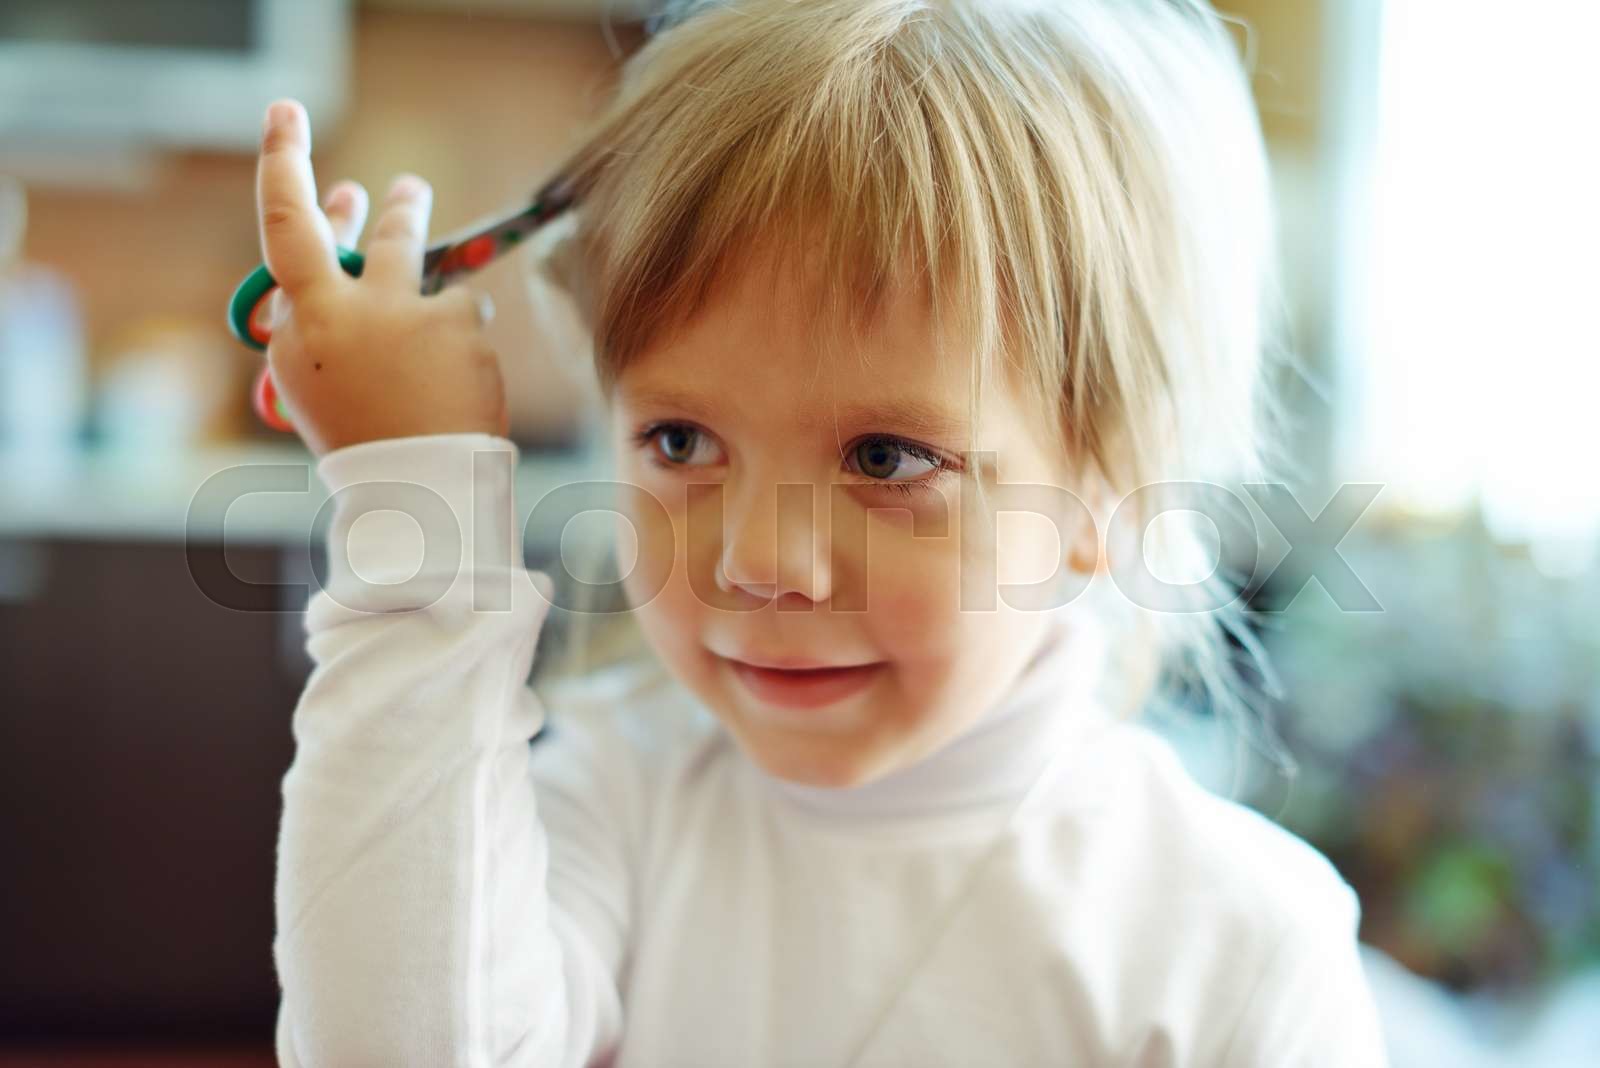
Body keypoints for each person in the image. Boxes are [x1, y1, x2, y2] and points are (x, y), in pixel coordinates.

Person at [262, 1, 1388, 1064]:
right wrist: (411, 499)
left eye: (886, 459)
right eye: (681, 441)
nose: (758, 562)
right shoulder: (615, 800)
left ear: (1110, 494)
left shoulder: (1238, 953)